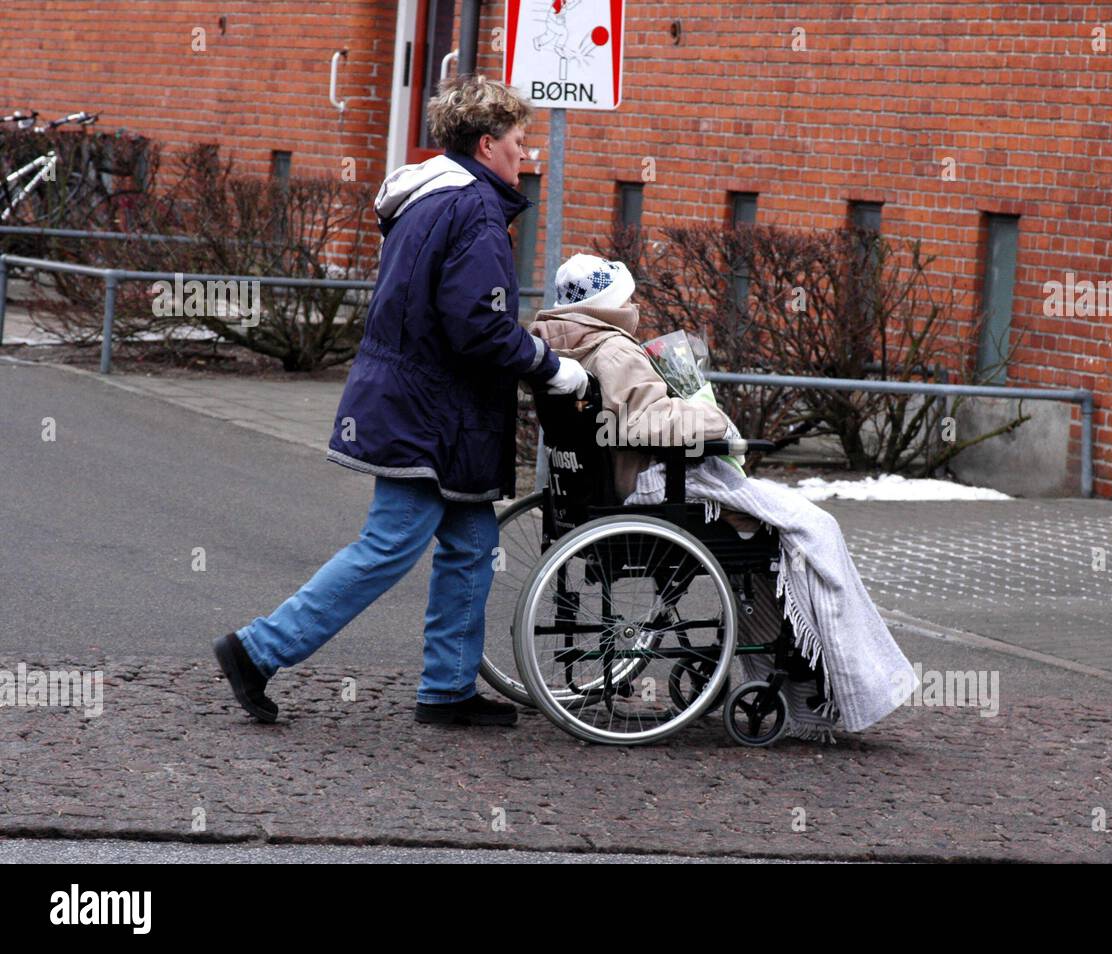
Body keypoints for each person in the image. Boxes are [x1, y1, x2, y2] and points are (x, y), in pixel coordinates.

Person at [212, 75, 589, 728]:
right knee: (389, 545)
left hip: (424, 405)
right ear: (484, 144)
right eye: (519, 142)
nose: (526, 156)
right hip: (430, 412)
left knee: (471, 541)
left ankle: (447, 690)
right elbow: (477, 324)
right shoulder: (471, 208)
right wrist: (550, 366)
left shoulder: (430, 198)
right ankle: (257, 649)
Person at [532, 254, 920, 740]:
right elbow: (641, 424)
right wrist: (708, 416)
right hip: (652, 486)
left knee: (786, 529)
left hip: (598, 490)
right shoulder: (612, 351)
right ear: (607, 303)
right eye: (626, 297)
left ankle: (801, 667)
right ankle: (841, 678)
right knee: (811, 530)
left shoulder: (569, 347)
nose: (633, 304)